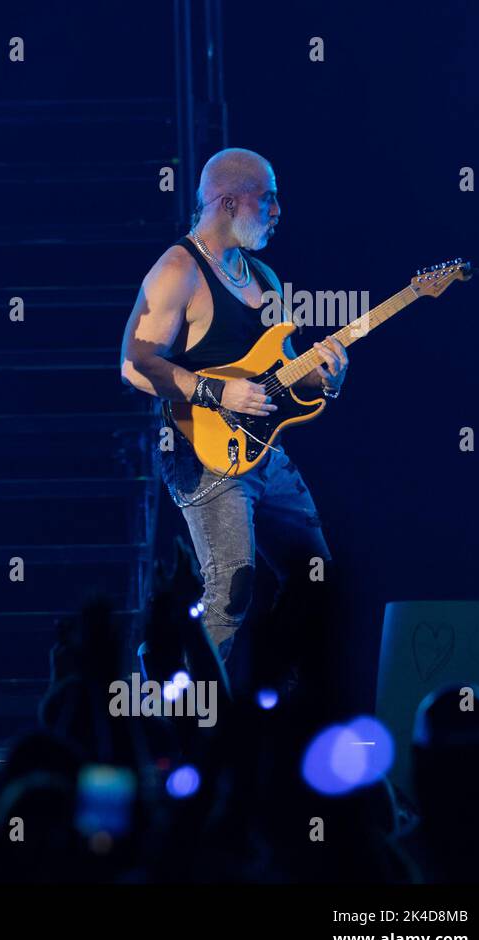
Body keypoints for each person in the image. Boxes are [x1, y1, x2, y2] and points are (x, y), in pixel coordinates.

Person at [118, 148, 348, 682]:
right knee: (230, 592)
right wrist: (217, 392)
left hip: (264, 451)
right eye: (267, 197)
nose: (277, 210)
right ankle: (161, 708)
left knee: (316, 580)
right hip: (203, 451)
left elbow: (282, 373)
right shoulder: (178, 270)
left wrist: (324, 377)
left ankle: (284, 718)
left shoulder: (262, 274)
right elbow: (133, 365)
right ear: (228, 201)